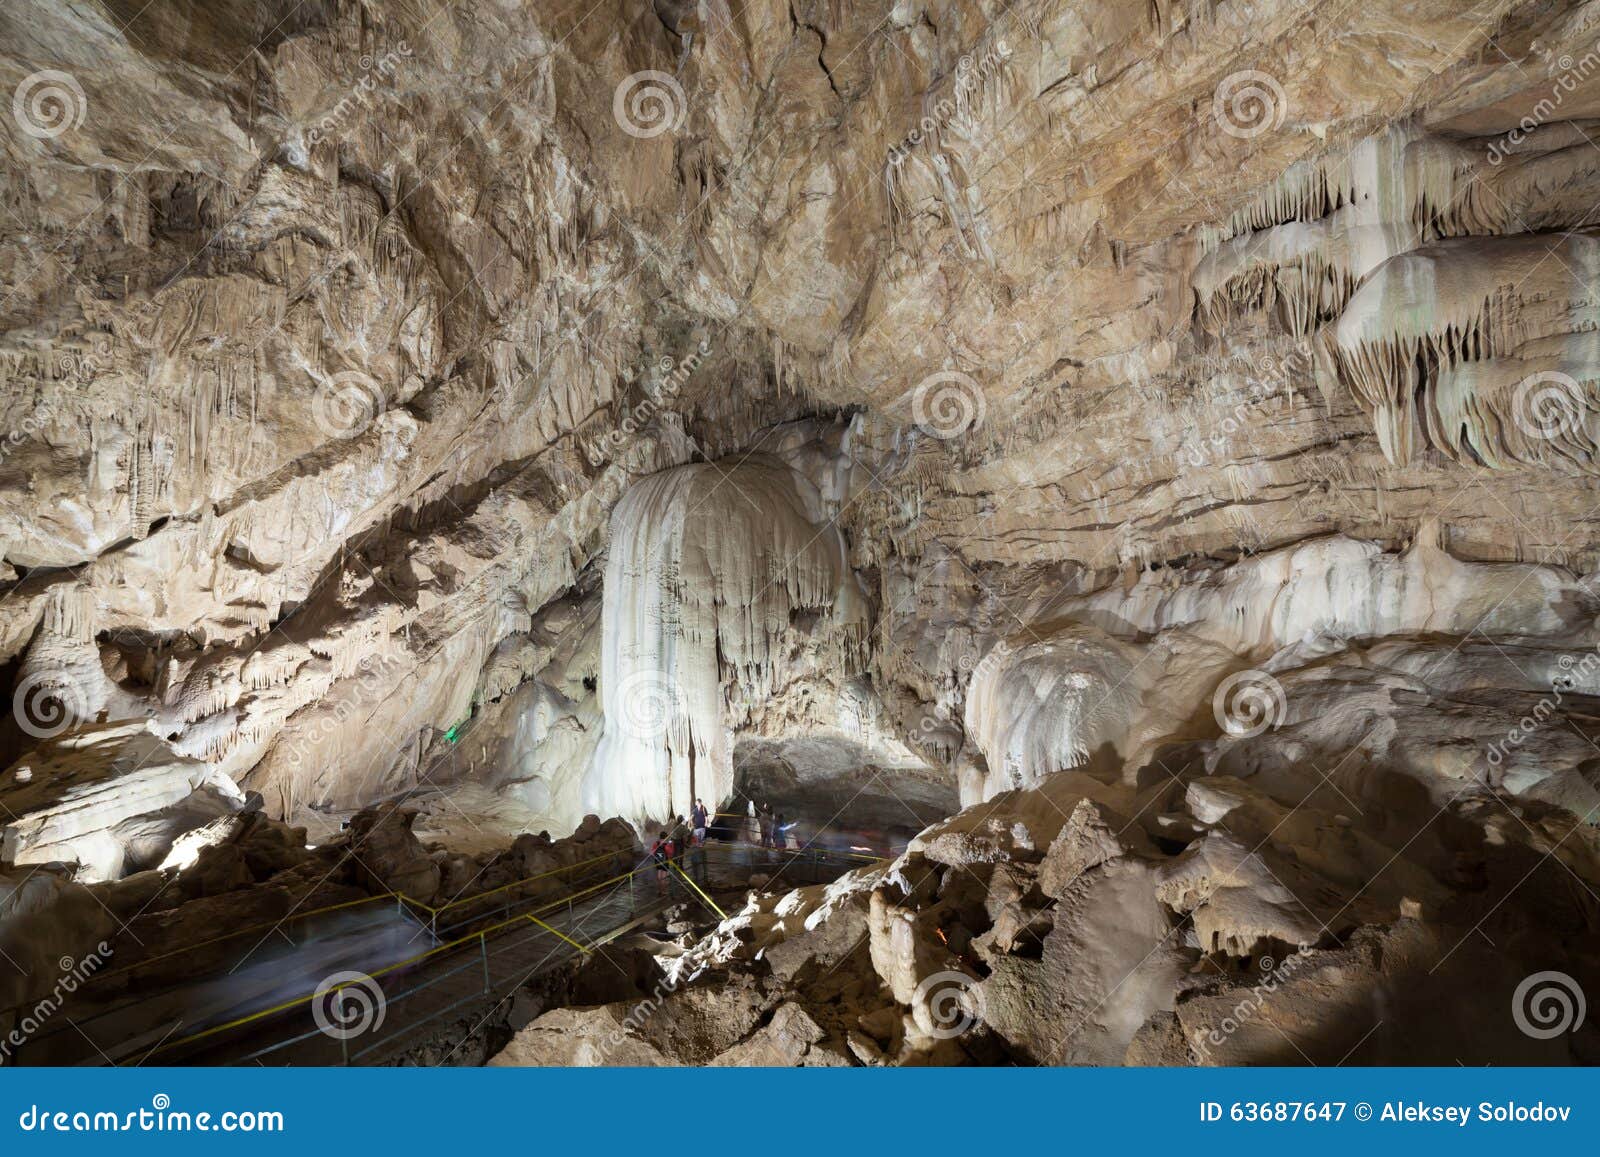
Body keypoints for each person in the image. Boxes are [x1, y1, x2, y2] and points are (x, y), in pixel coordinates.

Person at [650, 831, 674, 896]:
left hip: (657, 861)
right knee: (664, 877)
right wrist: (671, 843)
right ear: (666, 837)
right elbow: (671, 853)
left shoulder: (656, 843)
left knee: (659, 876)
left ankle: (659, 890)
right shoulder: (667, 844)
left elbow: (652, 852)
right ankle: (664, 891)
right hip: (665, 861)